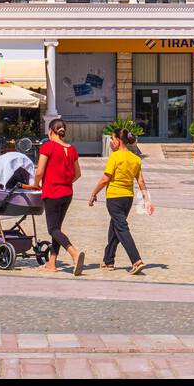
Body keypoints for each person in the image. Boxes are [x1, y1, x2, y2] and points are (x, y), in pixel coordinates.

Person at [88, 128, 150, 275]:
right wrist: (146, 197)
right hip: (127, 198)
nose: (111, 142)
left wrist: (93, 193)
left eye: (112, 138)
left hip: (114, 197)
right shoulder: (135, 158)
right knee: (115, 227)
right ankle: (108, 260)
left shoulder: (115, 157)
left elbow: (105, 178)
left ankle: (136, 260)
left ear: (119, 140)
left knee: (121, 228)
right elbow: (140, 180)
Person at [33, 117, 84, 275]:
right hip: (67, 193)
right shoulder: (72, 149)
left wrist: (36, 183)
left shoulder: (48, 146)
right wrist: (66, 181)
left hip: (52, 192)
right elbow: (78, 174)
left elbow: (40, 171)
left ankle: (74, 253)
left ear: (50, 131)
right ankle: (52, 264)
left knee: (53, 229)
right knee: (57, 229)